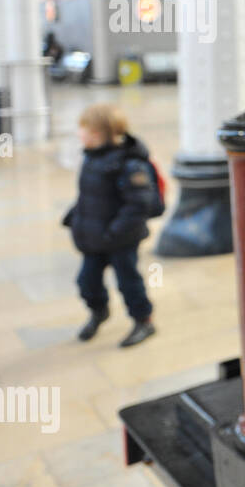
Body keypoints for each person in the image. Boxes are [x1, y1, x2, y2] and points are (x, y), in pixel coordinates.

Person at [62, 104, 157, 348]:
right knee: (87, 281)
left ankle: (143, 320)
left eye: (83, 129)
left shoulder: (129, 164)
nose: (79, 134)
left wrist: (113, 232)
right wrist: (75, 216)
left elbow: (139, 204)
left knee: (128, 281)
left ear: (98, 133)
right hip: (97, 238)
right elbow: (91, 195)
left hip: (121, 238)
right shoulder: (91, 157)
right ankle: (99, 310)